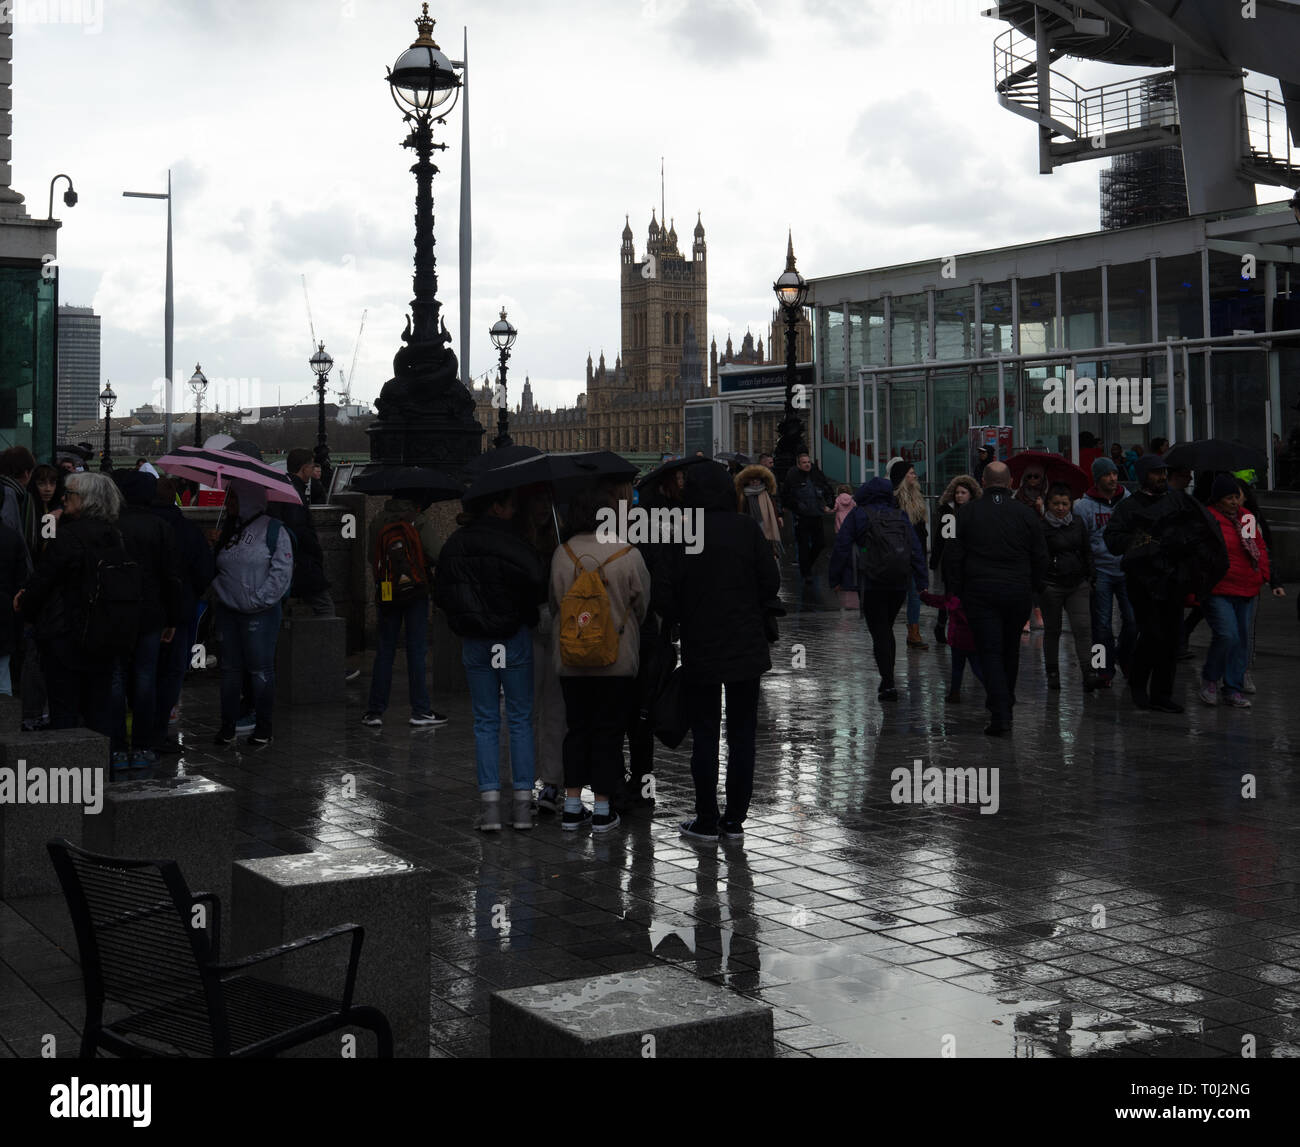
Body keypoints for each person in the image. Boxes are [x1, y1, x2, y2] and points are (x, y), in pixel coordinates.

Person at [652, 462, 779, 841]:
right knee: (742, 734)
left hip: (701, 646)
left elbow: (663, 594)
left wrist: (684, 615)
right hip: (745, 646)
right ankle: (735, 820)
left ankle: (706, 819)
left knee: (705, 733)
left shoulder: (684, 533)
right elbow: (770, 581)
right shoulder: (745, 529)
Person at [433, 488, 547, 832]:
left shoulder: (455, 543)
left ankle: (491, 808)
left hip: (476, 642)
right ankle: (524, 807)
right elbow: (536, 587)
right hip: (512, 638)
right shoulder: (516, 543)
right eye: (512, 503)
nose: (515, 509)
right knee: (520, 719)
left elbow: (442, 594)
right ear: (496, 507)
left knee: (484, 722)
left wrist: (463, 622)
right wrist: (523, 618)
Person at [549, 485, 650, 835]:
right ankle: (604, 810)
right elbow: (643, 605)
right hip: (616, 662)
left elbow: (554, 605)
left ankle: (573, 807)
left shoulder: (561, 554)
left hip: (572, 661)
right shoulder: (627, 553)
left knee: (576, 730)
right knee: (609, 732)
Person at [1103, 455, 1227, 714]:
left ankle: (1162, 693)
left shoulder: (1178, 501)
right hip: (1143, 581)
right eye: (1155, 473)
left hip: (1173, 579)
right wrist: (1144, 542)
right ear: (1143, 475)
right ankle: (1138, 684)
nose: (1161, 477)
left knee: (1171, 638)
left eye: (1163, 472)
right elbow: (1114, 539)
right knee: (1152, 634)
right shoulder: (1130, 507)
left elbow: (1198, 530)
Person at [15, 473, 128, 740]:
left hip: (66, 634)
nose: (63, 498)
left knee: (64, 709)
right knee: (99, 706)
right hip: (104, 632)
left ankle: (71, 773)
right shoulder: (114, 535)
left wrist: (26, 605)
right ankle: (100, 770)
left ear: (86, 501)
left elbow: (44, 579)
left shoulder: (67, 536)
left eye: (69, 494)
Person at [943, 462, 1047, 735]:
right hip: (1017, 592)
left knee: (988, 651)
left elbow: (952, 555)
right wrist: (1035, 588)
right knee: (1010, 649)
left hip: (980, 593)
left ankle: (1000, 710)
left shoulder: (966, 514)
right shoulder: (1026, 515)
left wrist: (956, 590)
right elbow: (1041, 556)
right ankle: (1005, 704)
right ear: (1010, 482)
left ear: (983, 482)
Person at [211, 478, 294, 748]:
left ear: (248, 499)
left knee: (260, 670)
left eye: (233, 498)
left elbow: (281, 572)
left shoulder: (274, 530)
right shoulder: (228, 528)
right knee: (229, 671)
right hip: (228, 611)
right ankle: (227, 725)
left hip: (261, 613)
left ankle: (264, 727)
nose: (228, 503)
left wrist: (258, 600)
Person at [828, 476, 927, 702]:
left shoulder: (859, 514)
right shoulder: (900, 515)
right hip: (899, 582)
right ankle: (888, 679)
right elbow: (915, 549)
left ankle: (888, 682)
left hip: (872, 581)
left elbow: (841, 546)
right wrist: (921, 581)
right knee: (887, 627)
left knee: (880, 630)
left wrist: (835, 578)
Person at [111, 470, 182, 766]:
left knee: (115, 678)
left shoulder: (112, 525)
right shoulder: (160, 526)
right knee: (145, 678)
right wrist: (173, 618)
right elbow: (171, 576)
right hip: (152, 614)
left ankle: (115, 745)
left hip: (116, 613)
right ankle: (143, 744)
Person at [361, 489, 446, 728]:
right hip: (415, 590)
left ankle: (374, 711)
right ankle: (420, 710)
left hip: (387, 588)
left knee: (385, 649)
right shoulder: (417, 520)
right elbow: (437, 554)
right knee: (416, 649)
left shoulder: (378, 519)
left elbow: (371, 557)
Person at [1197, 475, 1283, 708]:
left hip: (1247, 586)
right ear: (1217, 500)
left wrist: (1265, 575)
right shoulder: (1208, 519)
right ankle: (1210, 679)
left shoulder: (1246, 518)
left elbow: (1258, 547)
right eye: (1229, 498)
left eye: (1237, 497)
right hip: (1219, 587)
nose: (1234, 502)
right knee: (1227, 634)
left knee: (1242, 640)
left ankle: (1233, 688)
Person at [149, 475, 214, 751]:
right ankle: (160, 729)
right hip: (181, 611)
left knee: (144, 671)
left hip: (146, 613)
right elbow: (204, 574)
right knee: (173, 672)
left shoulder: (140, 525)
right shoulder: (188, 530)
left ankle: (136, 729)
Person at [517, 483, 565, 813]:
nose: (542, 507)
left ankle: (548, 783)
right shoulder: (523, 543)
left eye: (546, 501)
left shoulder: (560, 540)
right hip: (529, 629)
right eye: (538, 501)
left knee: (550, 709)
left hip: (554, 629)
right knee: (533, 710)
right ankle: (532, 781)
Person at [1074, 457, 1134, 688]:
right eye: (1107, 474)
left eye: (1114, 473)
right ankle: (1102, 668)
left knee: (1133, 621)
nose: (1112, 478)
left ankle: (1124, 656)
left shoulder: (1127, 500)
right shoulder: (1084, 506)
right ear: (1098, 478)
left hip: (1125, 568)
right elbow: (1083, 541)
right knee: (1101, 625)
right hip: (1101, 571)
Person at [1040, 482, 1096, 692]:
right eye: (1056, 503)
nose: (1061, 508)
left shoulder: (1078, 523)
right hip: (1051, 585)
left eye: (1064, 503)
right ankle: (1052, 672)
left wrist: (1091, 577)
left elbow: (1086, 550)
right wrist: (1040, 585)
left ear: (1071, 504)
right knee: (1052, 631)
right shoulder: (1042, 527)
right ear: (1048, 504)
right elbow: (1037, 557)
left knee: (1083, 628)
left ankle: (1089, 671)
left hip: (1077, 583)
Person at [267, 447, 333, 617]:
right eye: (311, 466)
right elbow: (299, 528)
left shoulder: (284, 488)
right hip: (301, 561)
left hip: (291, 560)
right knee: (325, 607)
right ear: (304, 468)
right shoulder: (295, 493)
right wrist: (315, 550)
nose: (313, 471)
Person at [930, 475, 980, 645]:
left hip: (970, 561)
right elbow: (941, 538)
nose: (959, 496)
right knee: (949, 596)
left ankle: (964, 629)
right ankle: (942, 625)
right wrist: (935, 560)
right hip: (950, 562)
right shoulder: (948, 512)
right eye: (957, 492)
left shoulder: (976, 512)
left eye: (963, 492)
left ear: (970, 494)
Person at [890, 458, 930, 649]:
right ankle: (886, 627)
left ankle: (914, 632)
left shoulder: (918, 497)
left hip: (916, 554)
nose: (915, 475)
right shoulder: (894, 500)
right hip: (899, 556)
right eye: (911, 473)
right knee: (897, 593)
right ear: (902, 477)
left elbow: (921, 530)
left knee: (915, 594)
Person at [919, 587, 981, 702]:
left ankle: (954, 693)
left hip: (957, 639)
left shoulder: (953, 599)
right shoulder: (978, 599)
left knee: (957, 669)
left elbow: (938, 601)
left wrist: (924, 596)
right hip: (973, 640)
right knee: (977, 668)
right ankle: (995, 691)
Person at [779, 453, 834, 583]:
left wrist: (829, 504)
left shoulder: (816, 475)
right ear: (798, 464)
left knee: (820, 543)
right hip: (801, 516)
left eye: (808, 462)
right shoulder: (793, 477)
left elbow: (827, 489)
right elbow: (786, 495)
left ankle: (807, 565)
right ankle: (806, 573)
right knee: (803, 545)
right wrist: (796, 506)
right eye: (804, 462)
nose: (807, 464)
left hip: (816, 514)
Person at [736, 462, 784, 560]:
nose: (754, 481)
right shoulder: (742, 495)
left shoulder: (767, 493)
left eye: (757, 479)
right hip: (749, 526)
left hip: (765, 525)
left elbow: (775, 508)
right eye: (752, 479)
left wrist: (779, 516)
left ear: (761, 480)